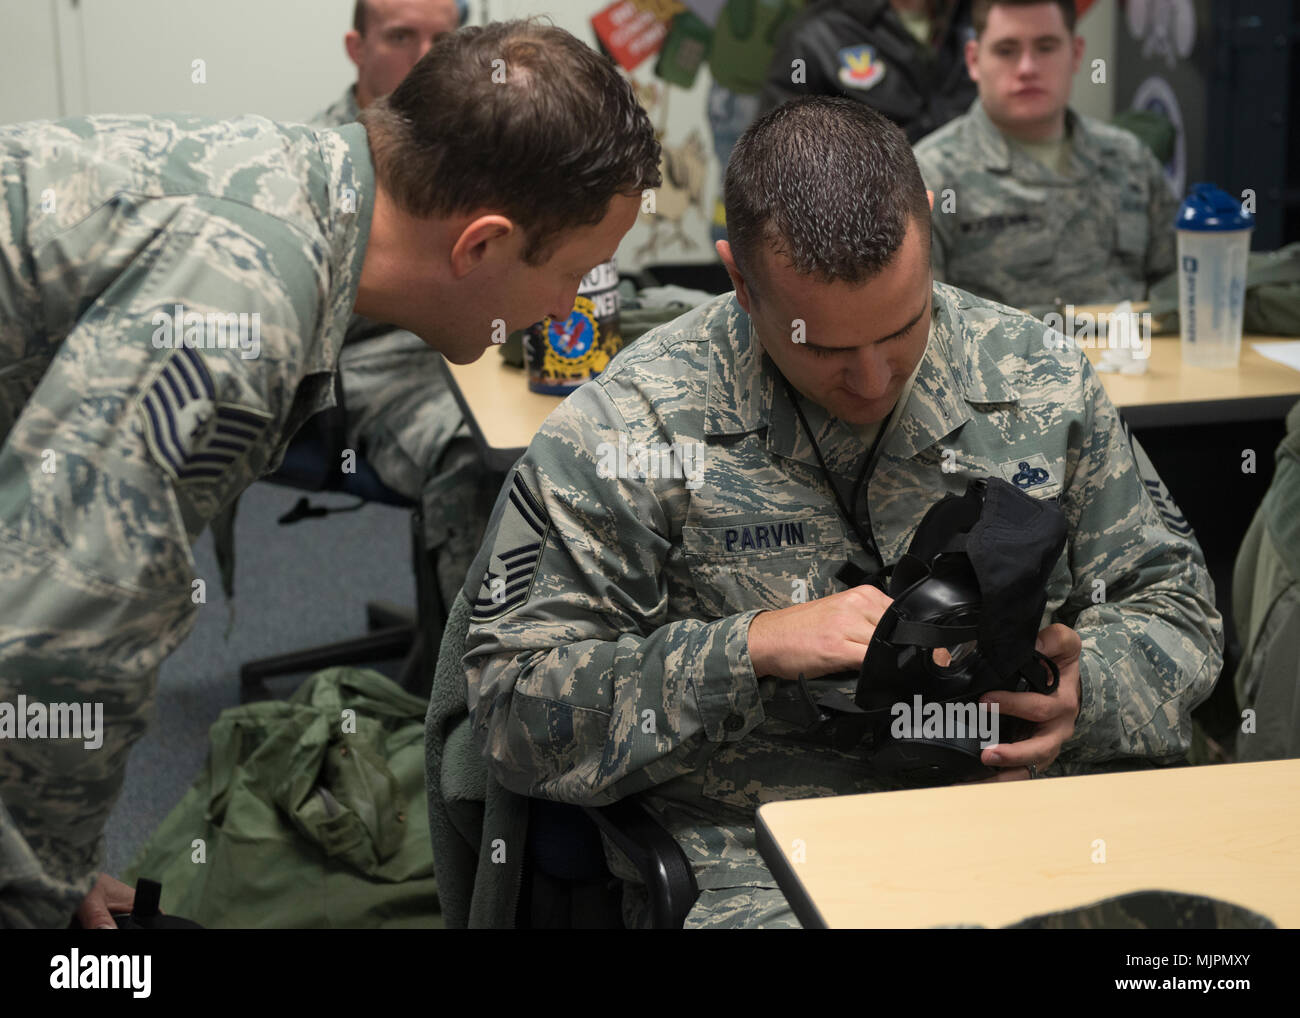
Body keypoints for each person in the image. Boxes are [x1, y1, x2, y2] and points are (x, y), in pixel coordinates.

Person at [461, 96, 1222, 929]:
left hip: (1027, 831)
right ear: (740, 281)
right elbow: (511, 713)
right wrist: (751, 649)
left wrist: (1085, 691)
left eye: (902, 329)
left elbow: (1179, 614)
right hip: (772, 866)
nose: (870, 380)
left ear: (929, 229)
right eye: (823, 347)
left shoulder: (1040, 380)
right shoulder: (632, 428)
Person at [0, 18, 660, 928]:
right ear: (480, 245)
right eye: (576, 274)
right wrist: (38, 893)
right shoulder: (246, 311)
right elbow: (61, 643)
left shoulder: (305, 177)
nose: (567, 309)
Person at [308, 0, 487, 617]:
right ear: (357, 48)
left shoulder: (485, 141)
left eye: (444, 38)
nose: (426, 58)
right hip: (372, 363)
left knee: (597, 427)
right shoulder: (322, 161)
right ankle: (468, 691)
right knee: (479, 458)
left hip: (485, 345)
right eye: (401, 36)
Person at [913, 0, 1180, 312]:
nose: (1027, 68)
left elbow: (1175, 290)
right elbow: (926, 321)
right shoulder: (933, 174)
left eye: (1046, 47)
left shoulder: (1130, 159)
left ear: (1077, 54)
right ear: (973, 59)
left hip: (1134, 356)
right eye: (1006, 50)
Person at [759, 0, 977, 142]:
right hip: (872, 199)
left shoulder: (982, 15)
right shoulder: (815, 36)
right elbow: (779, 144)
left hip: (978, 190)